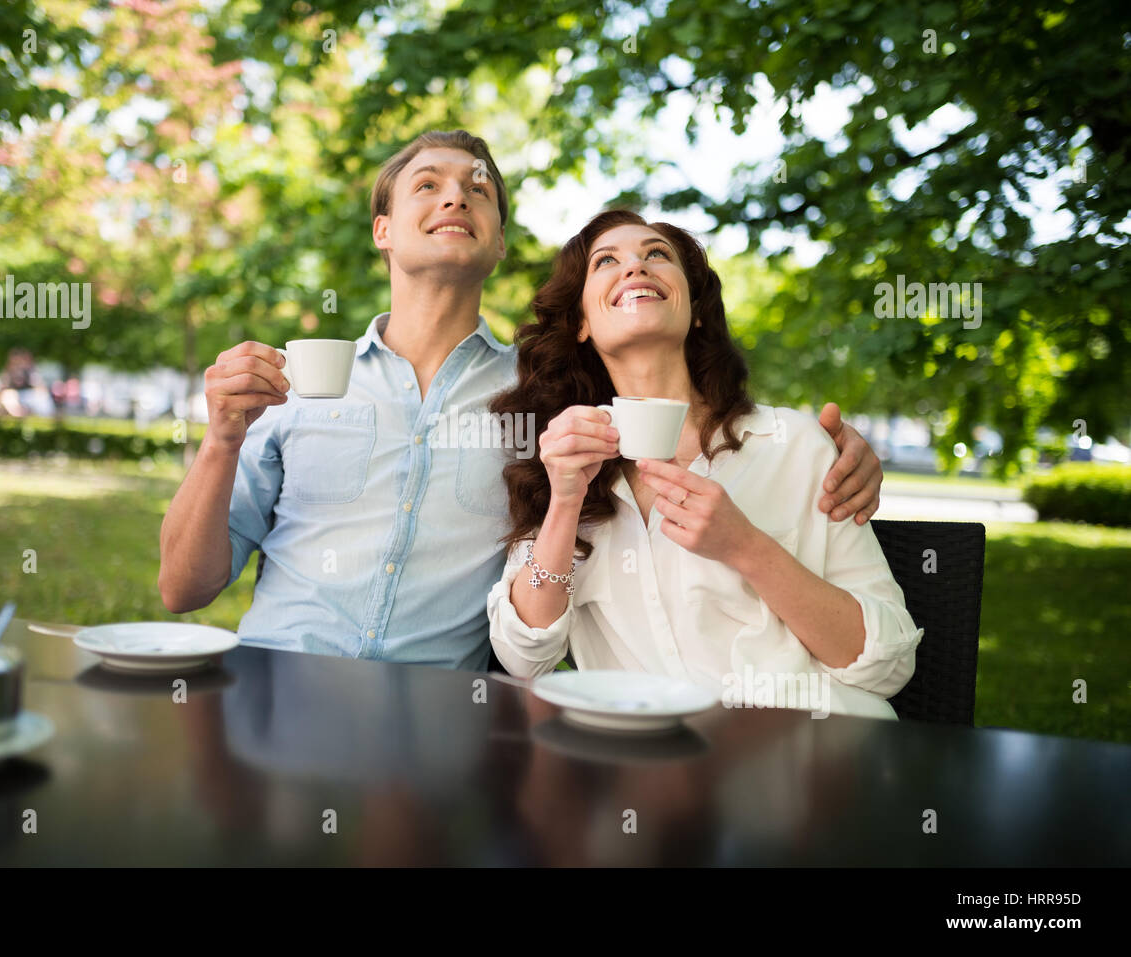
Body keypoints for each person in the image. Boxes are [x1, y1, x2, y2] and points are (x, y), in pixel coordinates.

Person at [158, 131, 885, 672]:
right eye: (428, 185)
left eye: (478, 190)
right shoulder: (293, 385)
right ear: (383, 230)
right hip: (271, 688)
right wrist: (221, 441)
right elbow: (182, 589)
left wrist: (835, 447)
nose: (455, 196)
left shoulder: (544, 401)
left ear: (499, 239)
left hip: (437, 724)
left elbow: (665, 396)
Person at [486, 209, 921, 718]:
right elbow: (523, 656)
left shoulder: (795, 444)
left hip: (810, 756)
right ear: (581, 323)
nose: (635, 268)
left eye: (656, 255)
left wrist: (745, 547)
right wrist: (563, 505)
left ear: (694, 309)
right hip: (656, 774)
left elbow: (888, 666)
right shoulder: (561, 461)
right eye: (607, 261)